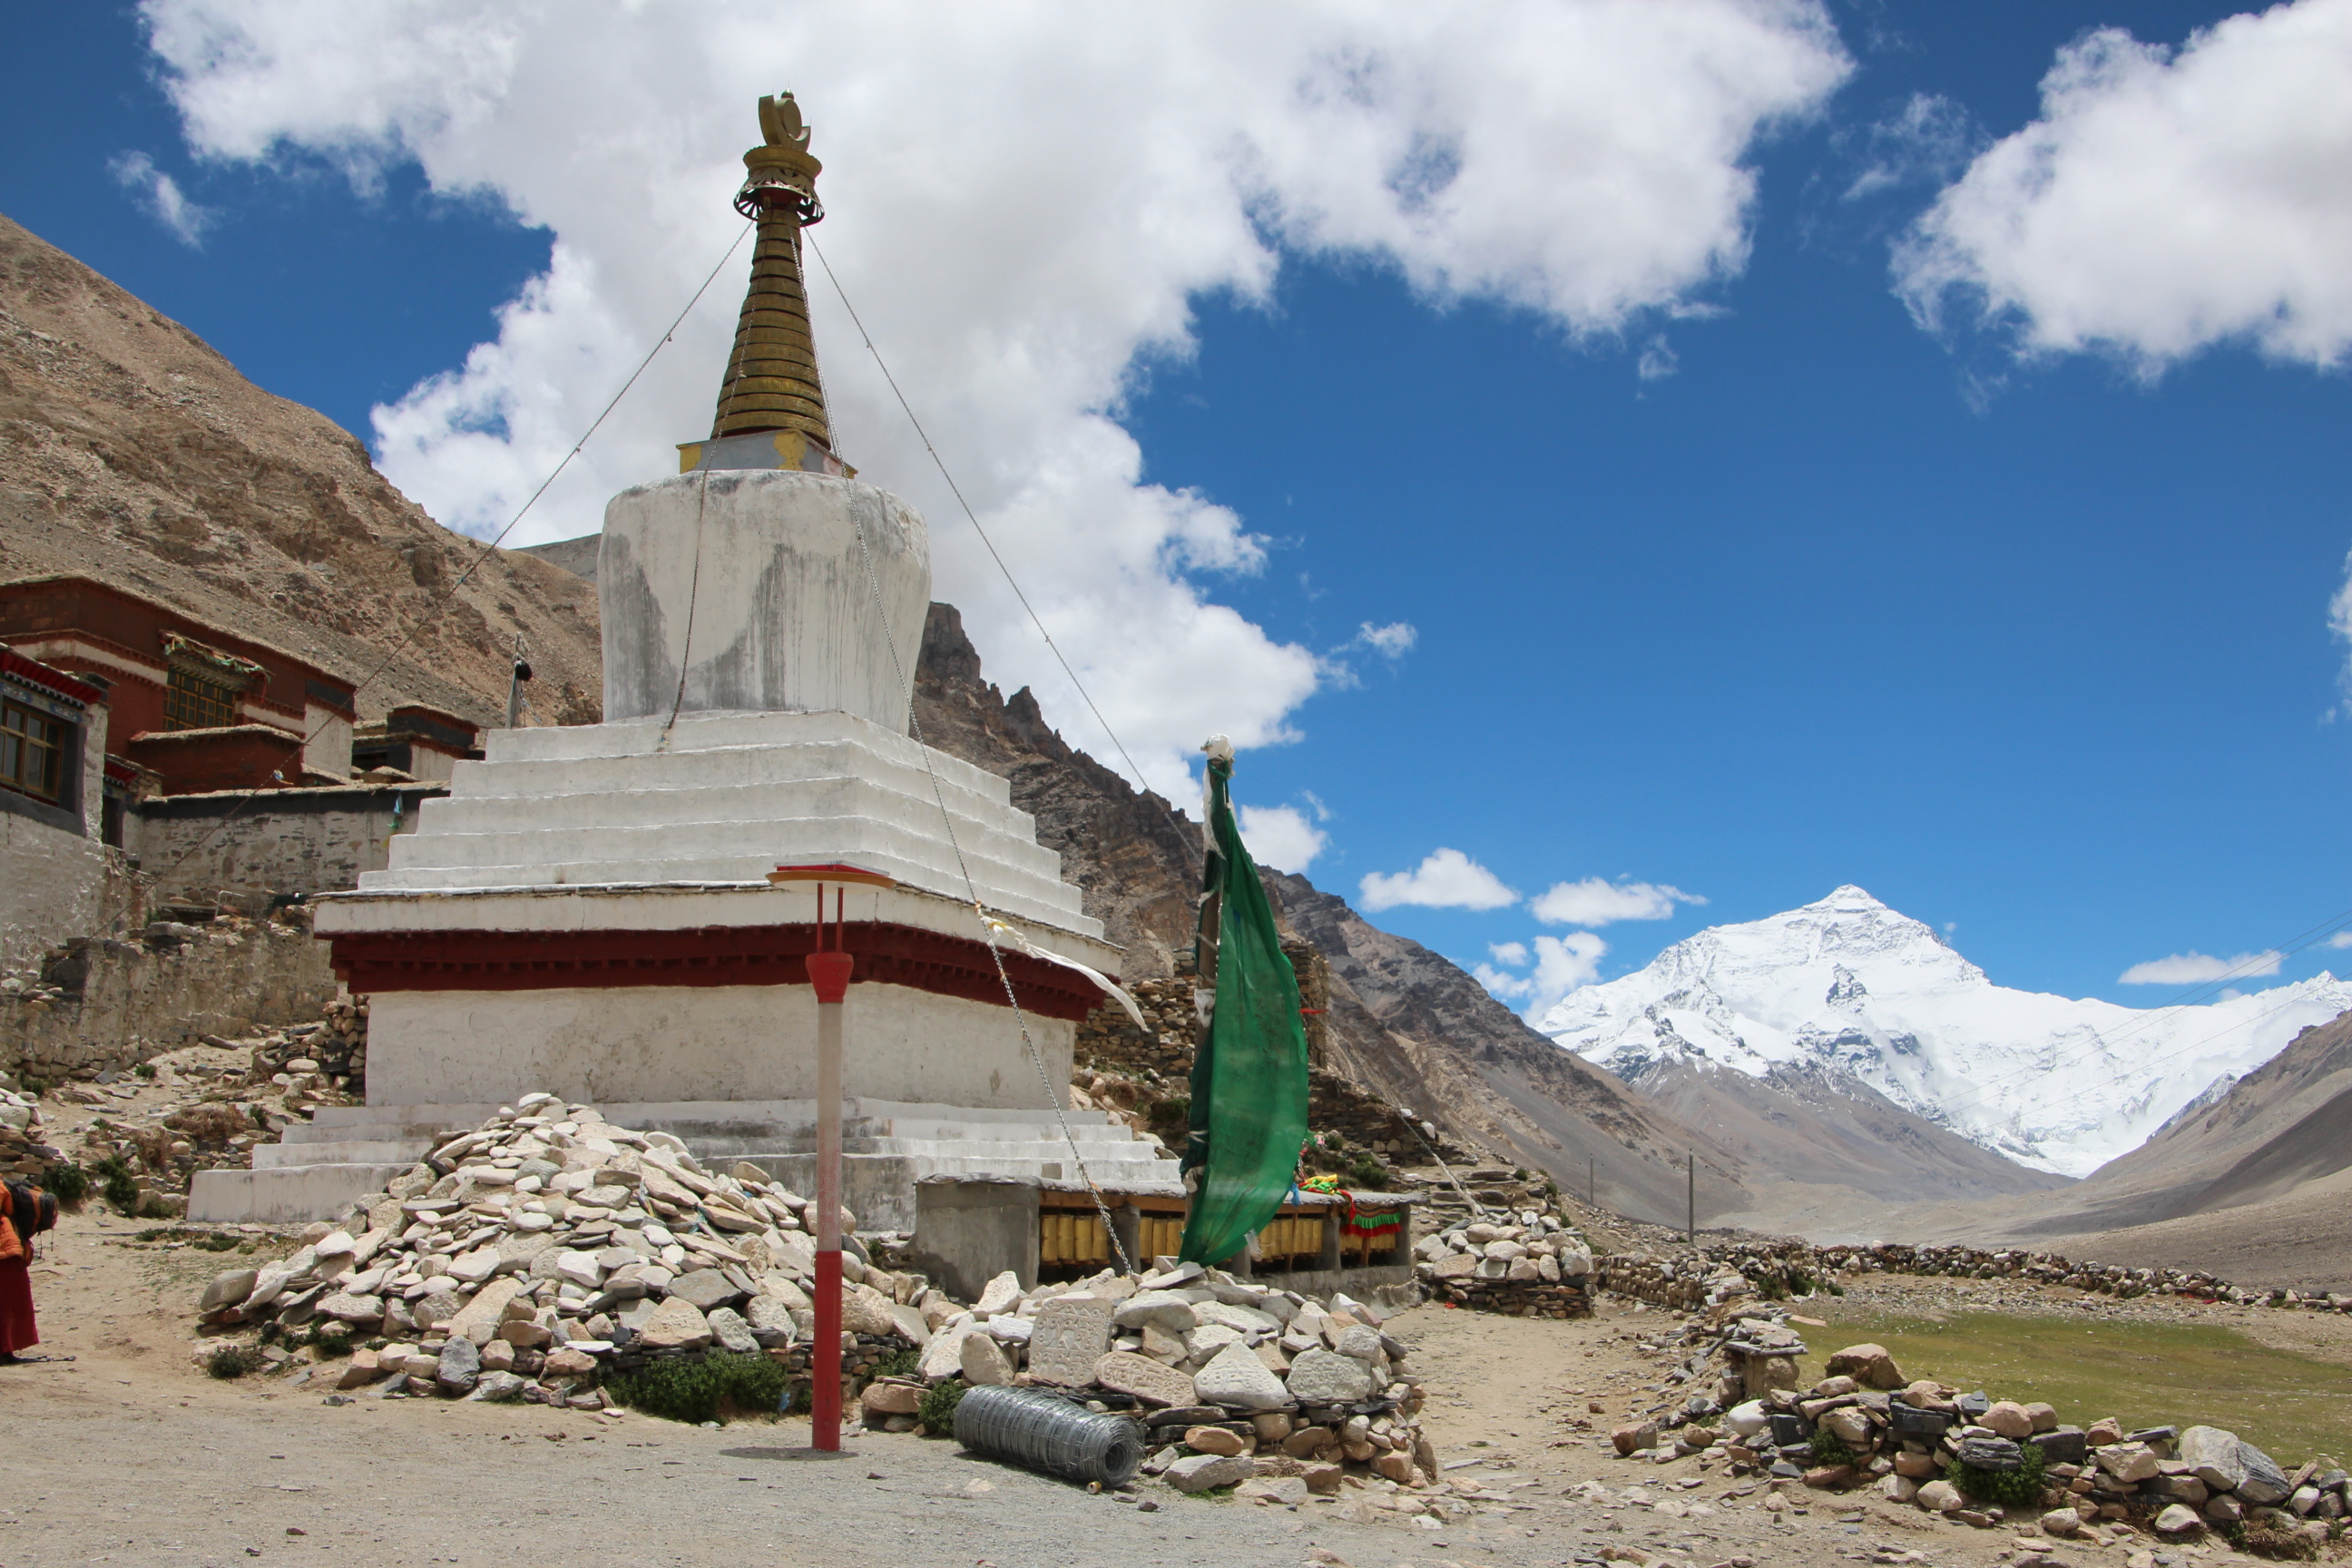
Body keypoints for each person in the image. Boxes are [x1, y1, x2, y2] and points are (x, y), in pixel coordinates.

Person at [0, 1178, 48, 1363]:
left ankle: (5, 1351)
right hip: (10, 1249)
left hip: (6, 1252)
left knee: (6, 1303)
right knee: (9, 1301)